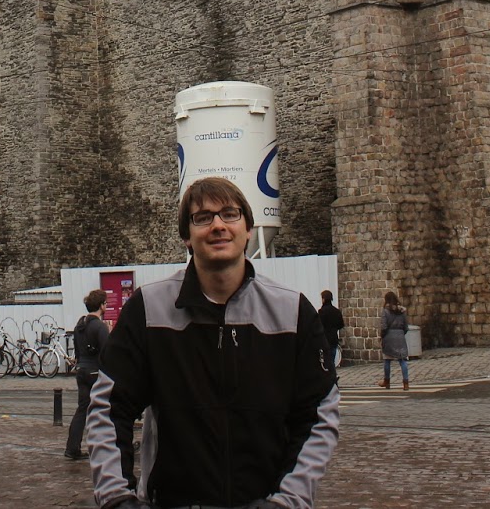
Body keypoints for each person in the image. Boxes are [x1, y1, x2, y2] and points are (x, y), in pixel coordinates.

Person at [86, 176, 338, 509]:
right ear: (187, 237)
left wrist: (287, 501)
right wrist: (116, 497)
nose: (218, 225)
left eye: (229, 214)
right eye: (203, 218)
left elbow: (318, 415)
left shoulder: (292, 312)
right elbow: (108, 408)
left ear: (248, 229)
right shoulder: (148, 310)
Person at [64, 288, 110, 461]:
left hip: (82, 371)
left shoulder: (80, 325)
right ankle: (108, 445)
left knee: (82, 409)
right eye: (105, 303)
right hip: (95, 372)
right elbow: (107, 353)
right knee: (106, 408)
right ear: (101, 306)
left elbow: (77, 351)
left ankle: (72, 447)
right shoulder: (99, 326)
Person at [378, 292, 410, 389]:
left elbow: (384, 326)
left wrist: (382, 336)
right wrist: (401, 333)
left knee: (387, 359)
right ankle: (406, 383)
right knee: (402, 359)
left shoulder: (385, 311)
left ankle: (386, 381)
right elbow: (406, 327)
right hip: (400, 336)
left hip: (389, 336)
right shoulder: (402, 311)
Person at [317, 288, 345, 372]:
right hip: (333, 339)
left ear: (324, 299)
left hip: (324, 339)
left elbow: (318, 326)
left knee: (326, 362)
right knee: (332, 360)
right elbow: (341, 325)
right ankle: (333, 378)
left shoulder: (321, 312)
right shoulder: (336, 311)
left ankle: (328, 379)